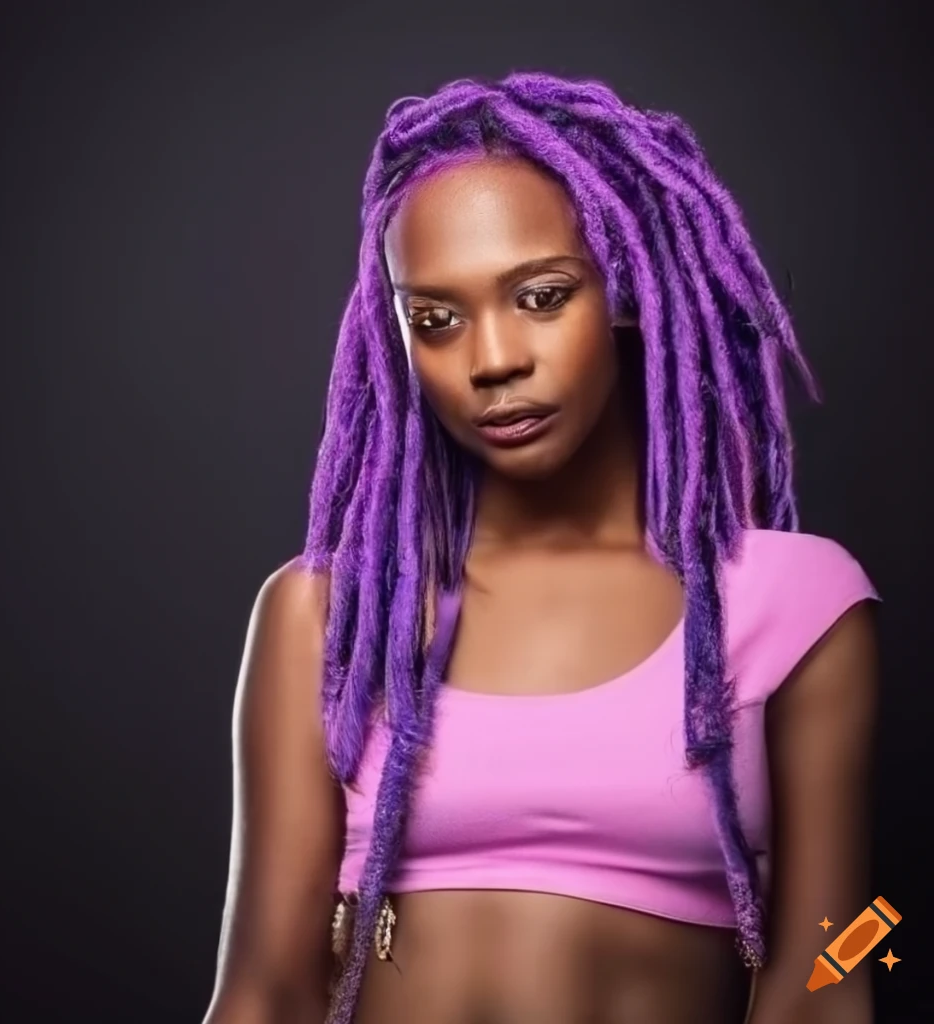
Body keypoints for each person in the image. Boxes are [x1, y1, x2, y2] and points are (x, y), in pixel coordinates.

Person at [203, 72, 880, 1024]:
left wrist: (860, 955)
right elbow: (263, 994)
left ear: (630, 291)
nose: (491, 361)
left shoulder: (793, 604)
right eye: (434, 320)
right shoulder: (326, 615)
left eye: (541, 296)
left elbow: (832, 971)